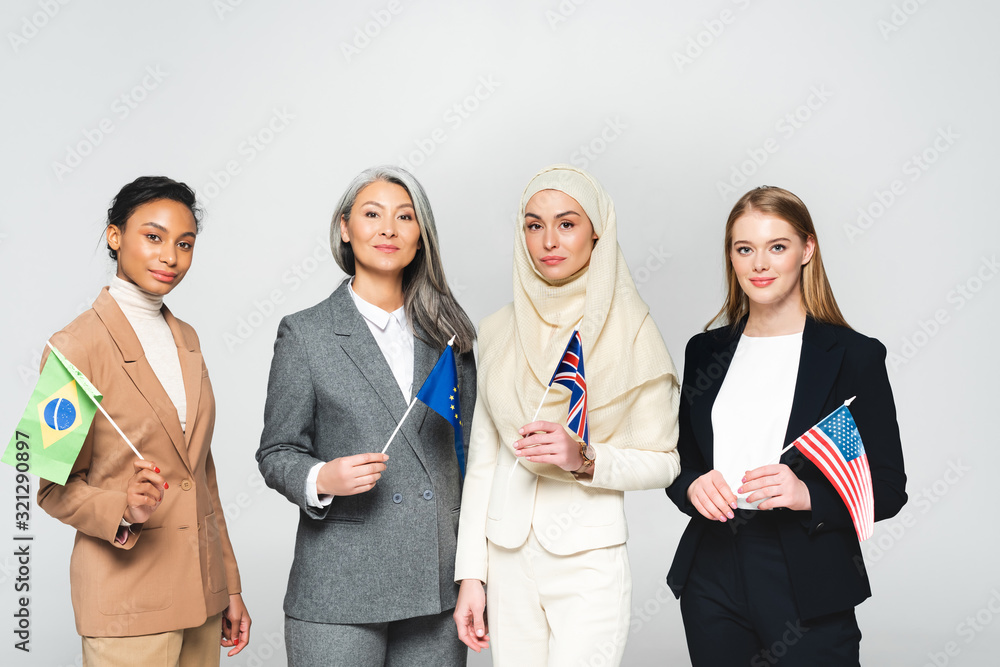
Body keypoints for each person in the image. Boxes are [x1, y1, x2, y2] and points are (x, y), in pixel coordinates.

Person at [665, 186, 907, 666]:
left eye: (777, 246)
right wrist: (691, 485)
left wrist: (807, 494)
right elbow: (678, 461)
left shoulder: (854, 356)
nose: (759, 263)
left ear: (806, 249)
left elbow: (888, 488)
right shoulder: (705, 351)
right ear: (731, 256)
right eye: (744, 249)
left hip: (807, 572)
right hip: (712, 569)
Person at [453, 164, 681, 666]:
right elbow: (483, 464)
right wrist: (471, 575)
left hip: (587, 558)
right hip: (505, 555)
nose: (549, 241)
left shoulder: (631, 329)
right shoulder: (497, 329)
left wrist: (584, 458)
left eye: (567, 223)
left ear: (597, 231)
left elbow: (665, 460)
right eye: (534, 225)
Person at [256, 166, 476, 667]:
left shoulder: (450, 334)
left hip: (438, 582)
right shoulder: (306, 334)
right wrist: (321, 477)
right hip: (340, 586)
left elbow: (472, 455)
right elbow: (277, 451)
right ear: (345, 227)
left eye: (405, 217)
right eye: (372, 214)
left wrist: (475, 572)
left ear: (421, 236)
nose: (388, 229)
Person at [37, 176, 251, 666]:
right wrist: (121, 507)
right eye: (153, 237)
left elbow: (202, 476)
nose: (170, 257)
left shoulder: (188, 338)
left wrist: (229, 585)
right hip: (126, 605)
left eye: (185, 244)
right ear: (115, 237)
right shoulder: (70, 347)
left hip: (201, 598)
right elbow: (49, 487)